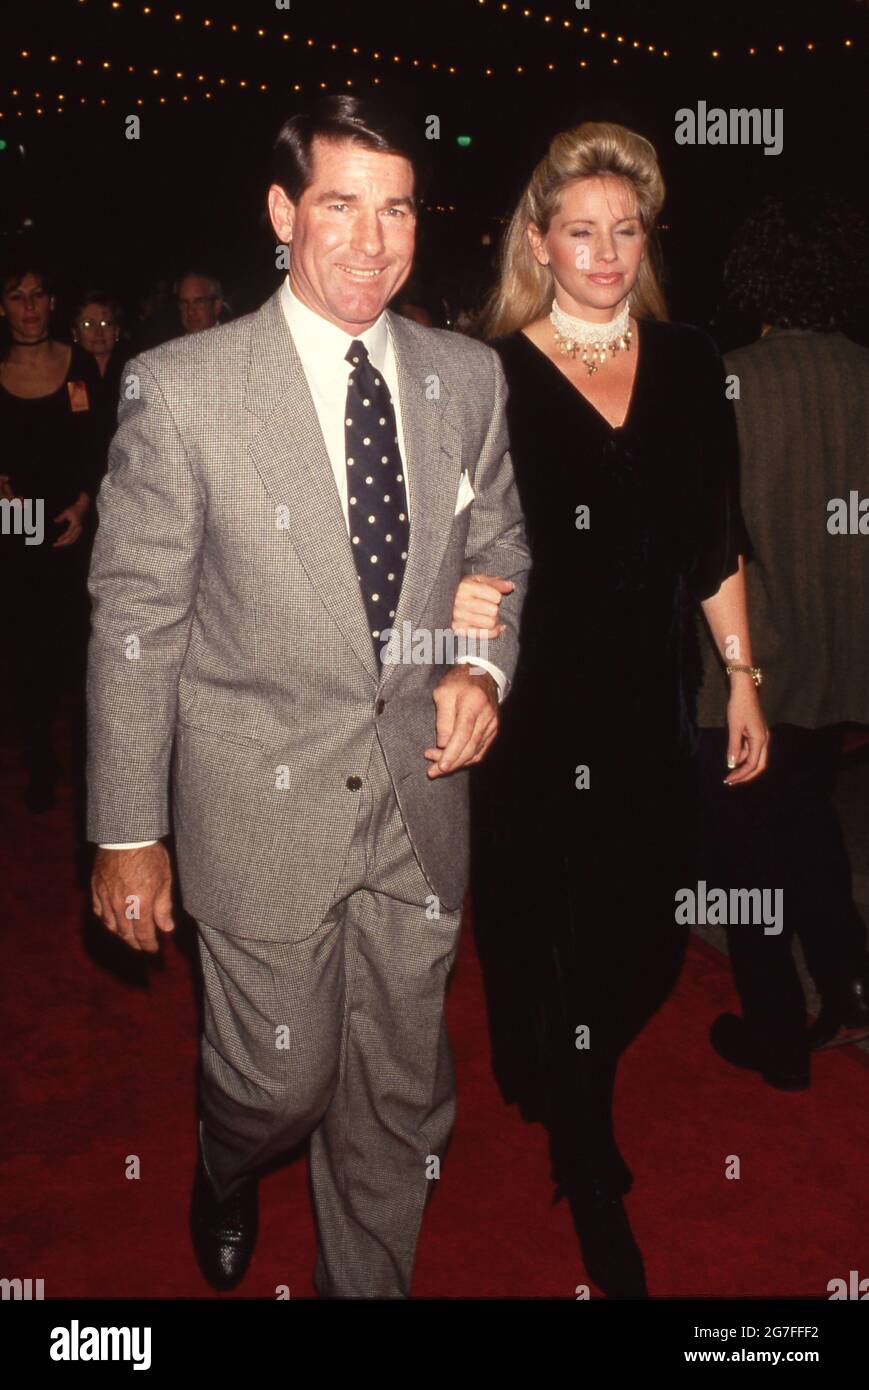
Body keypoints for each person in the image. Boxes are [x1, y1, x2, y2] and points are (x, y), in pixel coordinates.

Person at [86, 95, 530, 1298]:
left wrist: (472, 667)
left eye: (396, 211)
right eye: (341, 205)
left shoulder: (464, 379)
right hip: (255, 803)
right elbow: (135, 623)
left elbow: (494, 554)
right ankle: (228, 1160)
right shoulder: (180, 391)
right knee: (278, 1084)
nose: (372, 241)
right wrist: (129, 832)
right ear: (284, 214)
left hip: (418, 801)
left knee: (394, 1097)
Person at [452, 121, 767, 1297]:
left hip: (646, 699)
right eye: (578, 230)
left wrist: (740, 676)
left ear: (645, 240)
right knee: (555, 922)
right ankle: (586, 1158)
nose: (602, 250)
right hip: (533, 707)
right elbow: (457, 544)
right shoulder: (487, 371)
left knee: (641, 937)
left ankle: (557, 1053)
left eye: (623, 230)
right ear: (537, 241)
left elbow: (713, 539)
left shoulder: (688, 359)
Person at [697, 194, 869, 1089]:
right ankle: (846, 975)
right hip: (842, 658)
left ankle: (773, 1035)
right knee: (807, 819)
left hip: (752, 666)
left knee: (744, 856)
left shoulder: (727, 381)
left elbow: (708, 536)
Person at [0, 264, 99, 811]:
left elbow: (99, 445)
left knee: (80, 648)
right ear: (4, 306)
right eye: (17, 296)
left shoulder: (77, 363)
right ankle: (39, 759)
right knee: (27, 644)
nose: (29, 307)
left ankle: (92, 766)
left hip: (73, 519)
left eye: (38, 295)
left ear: (52, 301)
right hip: (15, 522)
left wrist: (84, 506)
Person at [71, 290, 126, 472]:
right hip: (79, 469)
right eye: (88, 324)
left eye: (106, 323)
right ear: (75, 333)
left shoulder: (133, 371)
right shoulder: (66, 373)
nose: (99, 332)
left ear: (117, 331)